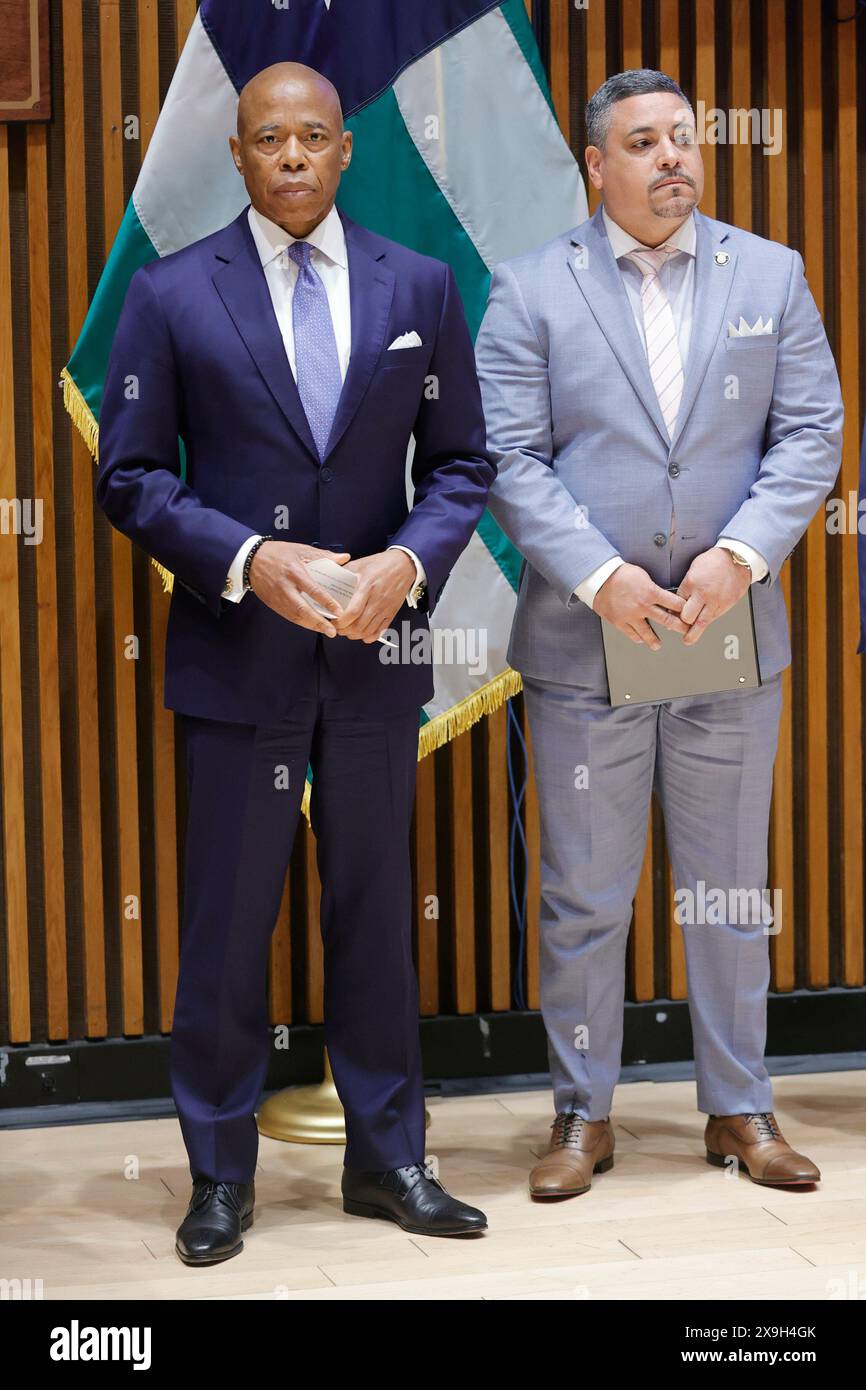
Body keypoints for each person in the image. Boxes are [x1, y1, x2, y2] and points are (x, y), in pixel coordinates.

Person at [96, 61, 494, 1264]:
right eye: (267, 137)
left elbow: (463, 465)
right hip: (237, 656)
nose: (290, 157)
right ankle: (218, 1176)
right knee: (228, 926)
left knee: (373, 917)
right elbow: (130, 477)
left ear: (343, 150)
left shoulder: (418, 283)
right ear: (235, 153)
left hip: (374, 656)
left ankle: (388, 1160)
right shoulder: (170, 295)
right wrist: (248, 558)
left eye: (312, 136)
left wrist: (406, 567)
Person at [475, 68, 842, 1198]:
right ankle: (581, 1115)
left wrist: (738, 557)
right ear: (595, 165)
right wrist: (601, 576)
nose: (672, 158)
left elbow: (810, 433)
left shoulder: (768, 274)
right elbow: (509, 459)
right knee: (585, 892)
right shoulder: (530, 289)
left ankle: (737, 1108)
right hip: (590, 643)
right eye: (643, 142)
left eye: (682, 138)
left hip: (726, 637)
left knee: (728, 884)